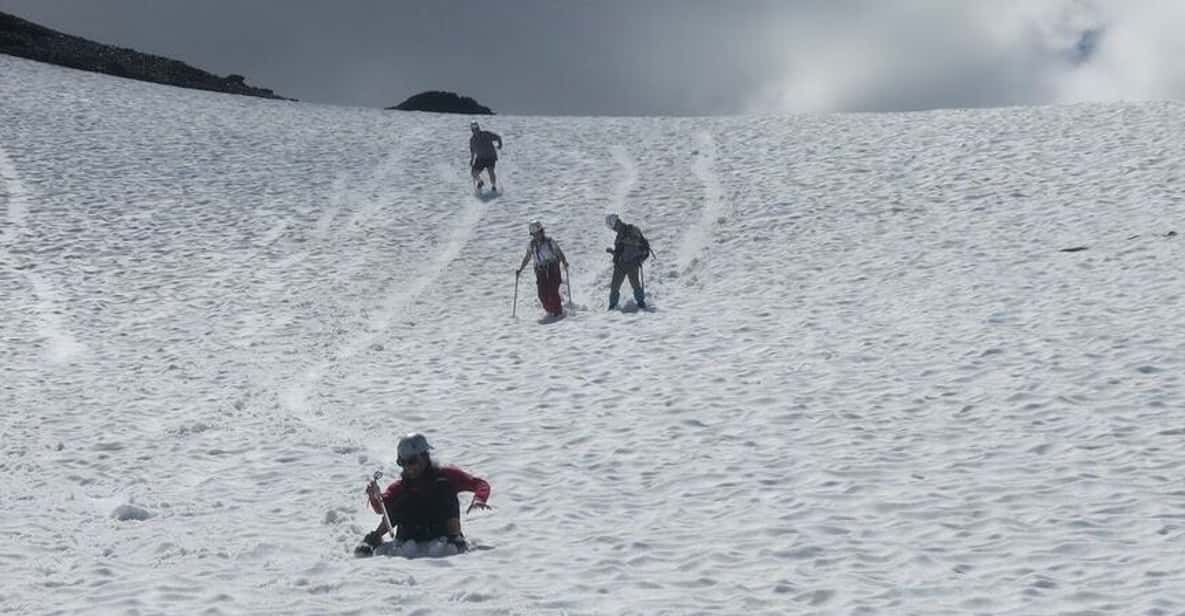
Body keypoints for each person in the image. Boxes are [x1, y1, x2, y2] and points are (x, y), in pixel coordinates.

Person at [357, 432, 491, 556]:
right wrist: (375, 498)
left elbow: (479, 484)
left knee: (443, 487)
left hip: (442, 530)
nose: (407, 467)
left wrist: (479, 498)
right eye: (402, 462)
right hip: (411, 534)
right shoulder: (400, 487)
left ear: (425, 457)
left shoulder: (446, 475)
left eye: (412, 461)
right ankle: (373, 539)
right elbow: (383, 509)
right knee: (402, 498)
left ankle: (455, 538)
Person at [516, 220, 569, 318]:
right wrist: (521, 269)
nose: (537, 236)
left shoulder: (550, 241)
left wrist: (564, 262)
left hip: (553, 268)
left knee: (553, 290)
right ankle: (550, 310)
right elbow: (527, 257)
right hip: (540, 271)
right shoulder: (531, 245)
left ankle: (558, 311)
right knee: (542, 294)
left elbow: (558, 252)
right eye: (535, 234)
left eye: (538, 233)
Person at [604, 213, 650, 310]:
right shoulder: (619, 236)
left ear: (616, 222)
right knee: (615, 286)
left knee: (635, 285)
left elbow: (637, 244)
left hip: (632, 263)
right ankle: (612, 306)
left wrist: (626, 241)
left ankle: (641, 304)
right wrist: (613, 252)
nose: (614, 229)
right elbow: (620, 251)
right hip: (621, 264)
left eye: (614, 227)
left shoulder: (632, 229)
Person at [469, 121, 502, 192]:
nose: (476, 130)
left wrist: (500, 145)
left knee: (491, 170)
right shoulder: (472, 140)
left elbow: (498, 137)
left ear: (479, 128)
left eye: (476, 128)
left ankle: (493, 186)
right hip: (480, 158)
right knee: (474, 173)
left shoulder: (486, 134)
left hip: (490, 157)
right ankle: (480, 182)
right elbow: (472, 150)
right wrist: (472, 160)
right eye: (474, 128)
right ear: (472, 130)